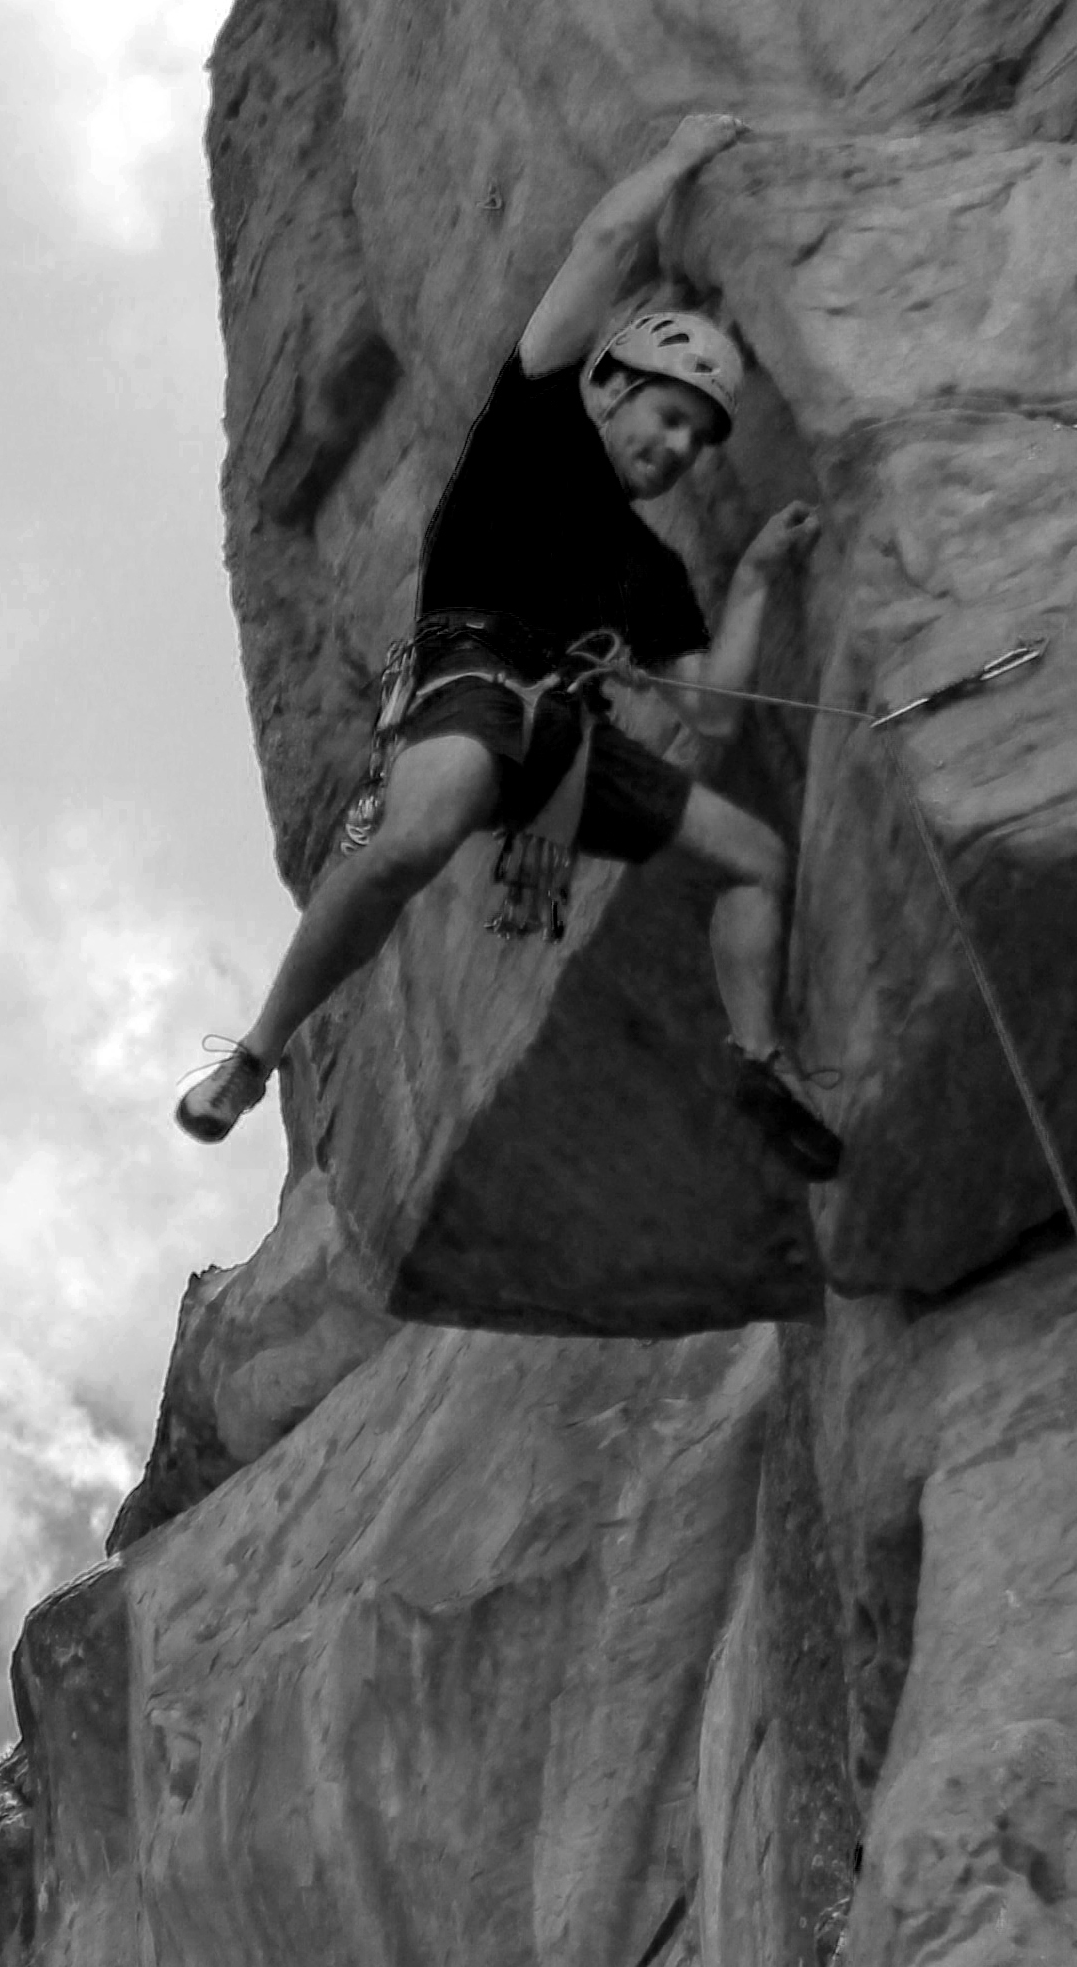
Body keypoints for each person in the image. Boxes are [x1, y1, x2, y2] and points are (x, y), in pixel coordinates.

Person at [176, 113, 842, 1183]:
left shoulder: (649, 574)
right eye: (665, 418)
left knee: (757, 858)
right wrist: (674, 159)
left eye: (692, 441)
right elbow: (599, 251)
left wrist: (759, 579)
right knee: (406, 843)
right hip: (472, 678)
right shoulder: (532, 423)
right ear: (614, 383)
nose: (672, 450)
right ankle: (255, 1055)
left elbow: (713, 710)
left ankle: (758, 1064)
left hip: (568, 746)